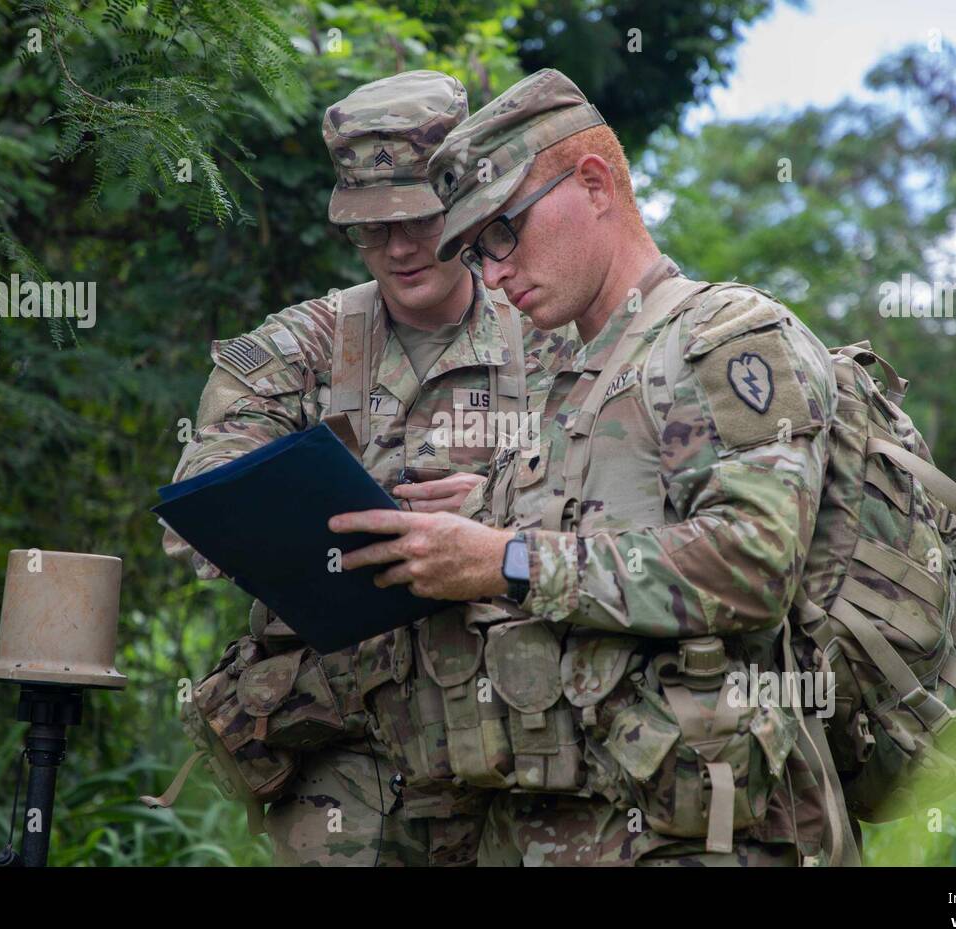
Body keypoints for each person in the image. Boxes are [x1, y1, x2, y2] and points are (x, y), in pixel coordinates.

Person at [328, 68, 861, 866]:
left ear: (593, 183)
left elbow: (755, 560)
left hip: (711, 837)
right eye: (475, 250)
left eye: (502, 233)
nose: (493, 272)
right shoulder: (571, 384)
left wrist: (504, 558)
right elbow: (622, 516)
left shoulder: (722, 334)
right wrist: (493, 511)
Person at [156, 69, 574, 866]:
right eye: (370, 228)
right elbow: (201, 518)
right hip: (346, 754)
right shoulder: (302, 344)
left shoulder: (556, 334)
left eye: (418, 218)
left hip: (520, 744)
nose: (400, 248)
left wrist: (497, 509)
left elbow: (638, 511)